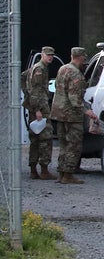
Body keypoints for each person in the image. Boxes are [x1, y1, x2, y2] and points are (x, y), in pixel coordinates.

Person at [50, 47, 94, 184]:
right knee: (73, 145)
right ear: (81, 57)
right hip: (71, 115)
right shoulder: (76, 74)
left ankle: (61, 173)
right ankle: (68, 174)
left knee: (63, 144)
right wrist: (87, 111)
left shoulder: (62, 69)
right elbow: (75, 98)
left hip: (59, 112)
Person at [22, 46, 57, 180]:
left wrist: (27, 94)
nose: (50, 57)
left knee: (36, 139)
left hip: (37, 107)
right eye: (48, 55)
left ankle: (34, 170)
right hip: (40, 108)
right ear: (42, 54)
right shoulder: (40, 69)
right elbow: (36, 91)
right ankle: (43, 169)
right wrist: (37, 109)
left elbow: (23, 77)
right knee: (45, 139)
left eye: (52, 55)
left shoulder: (36, 67)